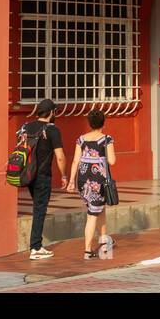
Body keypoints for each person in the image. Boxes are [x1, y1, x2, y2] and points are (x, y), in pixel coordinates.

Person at [66, 110, 116, 260]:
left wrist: (71, 182)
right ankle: (87, 250)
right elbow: (112, 161)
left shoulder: (81, 139)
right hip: (97, 182)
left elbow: (75, 161)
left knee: (98, 210)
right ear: (103, 122)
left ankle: (104, 241)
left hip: (82, 181)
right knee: (92, 215)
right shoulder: (106, 139)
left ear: (89, 123)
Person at [20, 99, 67, 261]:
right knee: (40, 209)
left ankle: (36, 245)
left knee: (37, 207)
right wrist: (64, 175)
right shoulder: (53, 130)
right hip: (42, 176)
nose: (56, 114)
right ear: (51, 112)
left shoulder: (26, 127)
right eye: (55, 111)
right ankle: (36, 247)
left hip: (28, 174)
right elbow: (60, 157)